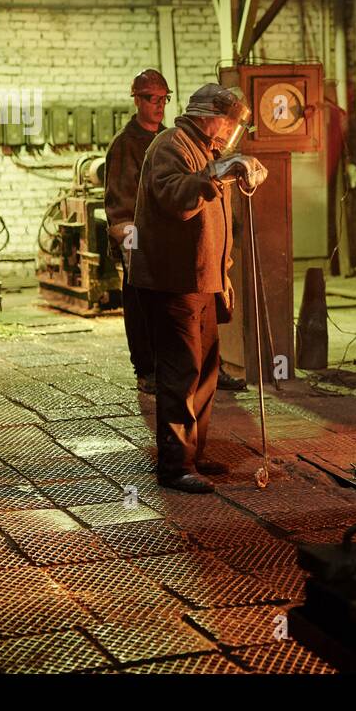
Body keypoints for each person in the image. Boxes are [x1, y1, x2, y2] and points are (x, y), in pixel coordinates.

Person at [128, 83, 267, 493]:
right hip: (174, 282)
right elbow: (176, 199)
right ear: (209, 116)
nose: (230, 133)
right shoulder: (171, 146)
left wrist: (222, 277)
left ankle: (194, 454)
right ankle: (174, 467)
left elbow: (218, 227)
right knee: (180, 372)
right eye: (229, 123)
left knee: (205, 370)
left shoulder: (208, 151)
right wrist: (215, 174)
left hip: (203, 281)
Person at [105, 69, 169, 394]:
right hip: (138, 242)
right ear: (136, 100)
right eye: (151, 99)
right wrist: (132, 252)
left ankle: (168, 366)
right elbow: (118, 203)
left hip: (165, 243)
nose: (158, 106)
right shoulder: (123, 146)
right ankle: (146, 371)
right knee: (141, 309)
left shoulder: (169, 139)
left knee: (167, 310)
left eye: (162, 99)